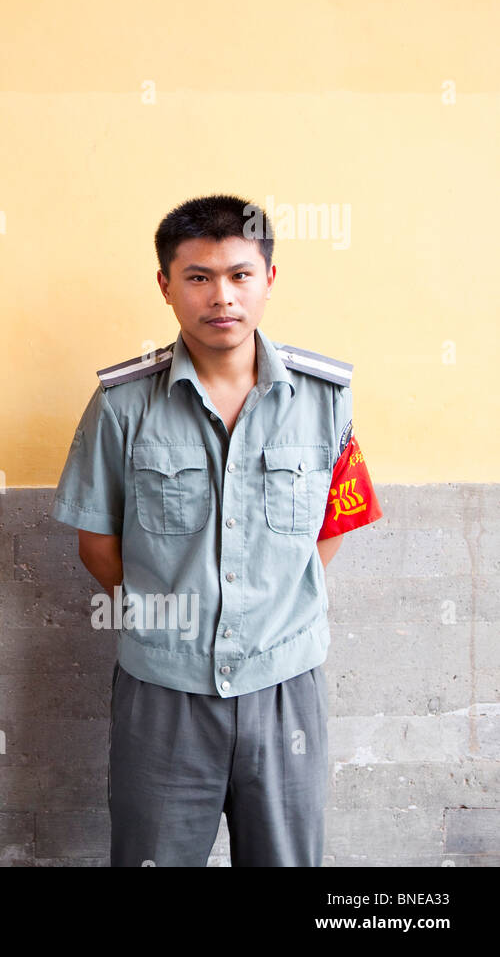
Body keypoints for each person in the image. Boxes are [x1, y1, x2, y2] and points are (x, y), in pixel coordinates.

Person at [52, 194, 381, 866]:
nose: (221, 296)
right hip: (165, 692)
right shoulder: (122, 405)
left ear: (270, 280)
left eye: (240, 275)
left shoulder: (324, 399)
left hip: (285, 684)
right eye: (198, 277)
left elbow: (331, 526)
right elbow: (97, 543)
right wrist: (172, 609)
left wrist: (268, 602)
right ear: (166, 286)